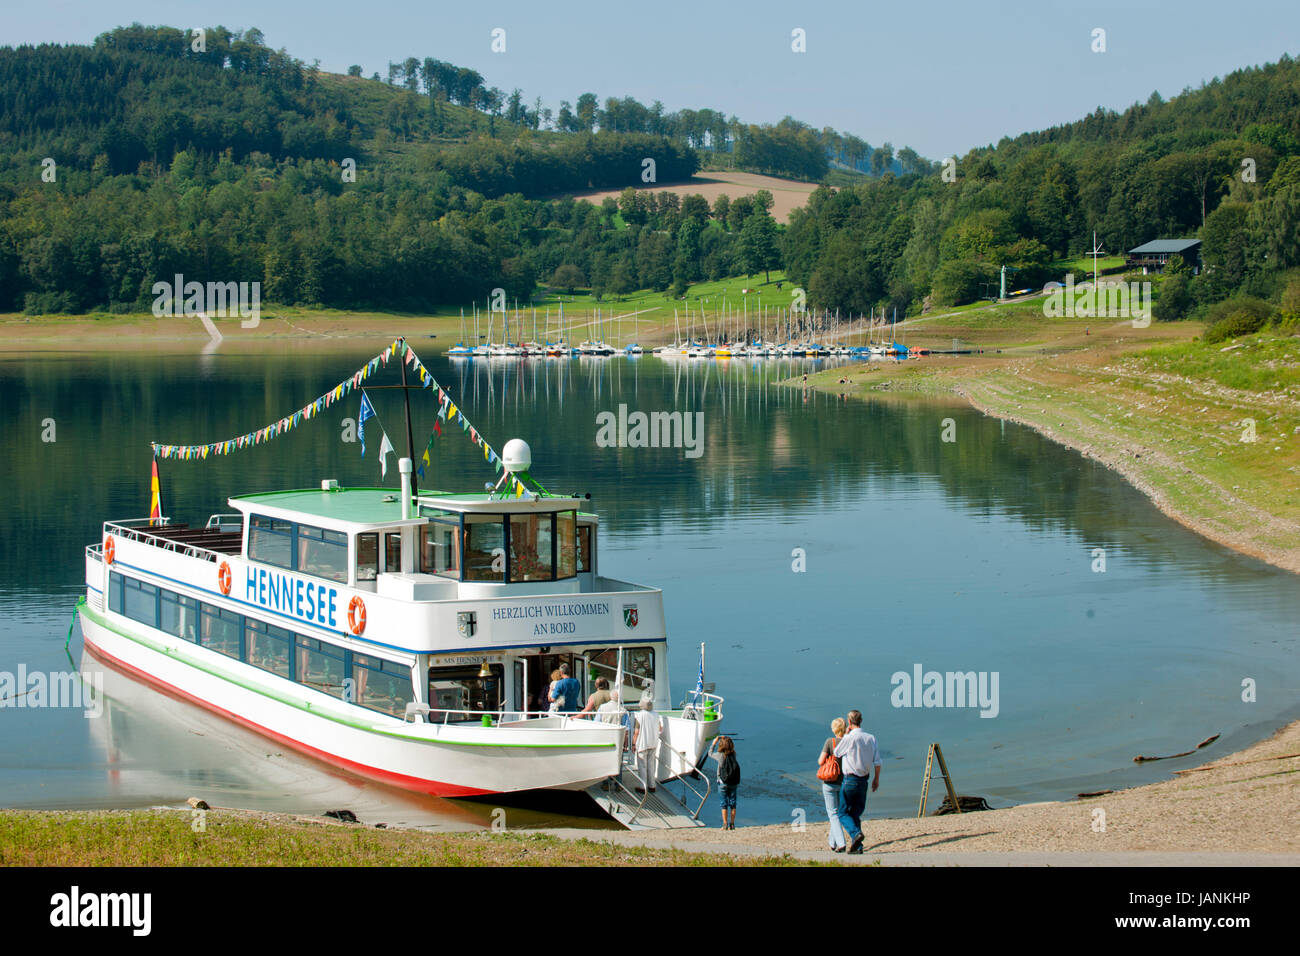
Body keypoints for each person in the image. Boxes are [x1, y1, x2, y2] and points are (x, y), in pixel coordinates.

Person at [833, 709, 881, 854]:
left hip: (850, 779)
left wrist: (846, 734)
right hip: (864, 780)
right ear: (861, 721)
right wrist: (876, 779)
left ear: (849, 722)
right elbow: (877, 761)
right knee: (855, 813)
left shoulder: (849, 738)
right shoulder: (871, 738)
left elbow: (837, 752)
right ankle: (858, 847)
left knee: (842, 812)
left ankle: (855, 834)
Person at [819, 718, 847, 852]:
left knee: (833, 813)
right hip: (843, 782)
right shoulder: (848, 742)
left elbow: (820, 761)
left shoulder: (830, 742)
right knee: (838, 812)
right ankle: (832, 842)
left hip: (829, 782)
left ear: (834, 729)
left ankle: (841, 843)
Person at [709, 735, 740, 829]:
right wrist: (725, 738)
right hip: (733, 782)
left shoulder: (720, 755)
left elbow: (709, 753)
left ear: (721, 746)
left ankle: (725, 824)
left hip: (722, 782)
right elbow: (729, 745)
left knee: (724, 804)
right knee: (733, 804)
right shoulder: (734, 754)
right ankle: (732, 824)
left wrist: (714, 742)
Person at [631, 697, 661, 792]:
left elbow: (636, 732)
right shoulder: (656, 715)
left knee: (642, 766)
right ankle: (652, 785)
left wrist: (633, 744)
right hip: (653, 743)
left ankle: (642, 786)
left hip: (642, 743)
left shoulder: (640, 715)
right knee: (651, 765)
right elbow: (660, 728)